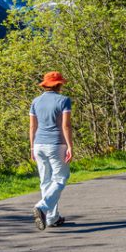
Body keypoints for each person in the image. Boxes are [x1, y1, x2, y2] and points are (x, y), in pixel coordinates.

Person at [29, 71, 74, 231]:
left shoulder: (35, 101)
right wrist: (70, 146)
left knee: (46, 181)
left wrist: (32, 147)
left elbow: (33, 126)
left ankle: (52, 218)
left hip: (39, 144)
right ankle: (42, 207)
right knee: (61, 178)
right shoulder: (64, 101)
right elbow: (65, 126)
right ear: (58, 84)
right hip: (56, 144)